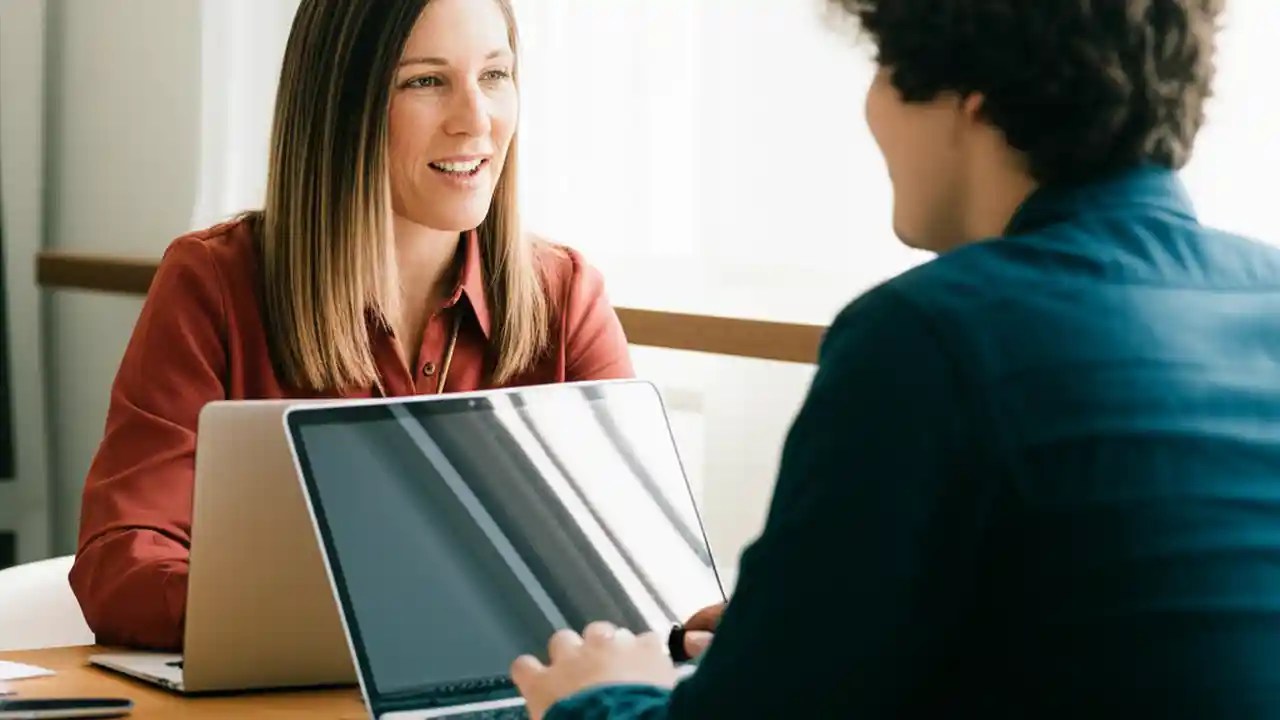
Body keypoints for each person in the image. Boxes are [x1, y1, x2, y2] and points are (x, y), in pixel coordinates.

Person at [511, 0, 1280, 717]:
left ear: (965, 96)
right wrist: (796, 626)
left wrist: (600, 696)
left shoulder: (930, 336)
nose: (871, 111)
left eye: (882, 70)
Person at [70, 0, 633, 652]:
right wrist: (348, 624)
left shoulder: (565, 295)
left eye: (494, 75)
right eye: (425, 81)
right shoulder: (213, 285)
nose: (476, 121)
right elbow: (124, 561)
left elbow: (634, 561)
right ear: (341, 105)